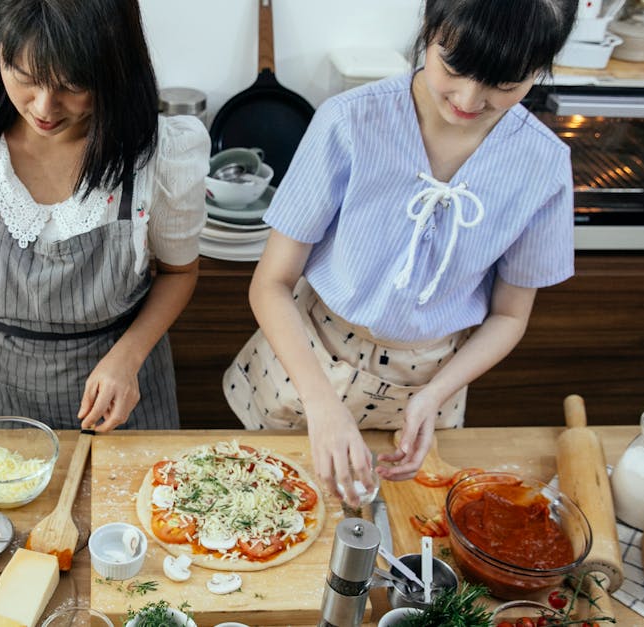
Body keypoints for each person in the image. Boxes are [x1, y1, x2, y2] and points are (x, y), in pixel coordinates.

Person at [223, 0, 578, 504]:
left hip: (431, 378)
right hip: (307, 359)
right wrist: (321, 403)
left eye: (505, 83)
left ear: (541, 68)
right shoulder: (350, 121)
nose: (469, 98)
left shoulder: (542, 165)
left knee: (405, 524)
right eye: (453, 66)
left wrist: (434, 397)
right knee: (259, 509)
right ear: (429, 30)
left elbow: (509, 316)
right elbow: (271, 282)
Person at [0, 0, 209, 436]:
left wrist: (129, 356)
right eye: (24, 78)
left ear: (113, 66)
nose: (45, 107)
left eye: (72, 85)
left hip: (122, 390)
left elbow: (179, 272)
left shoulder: (159, 153)